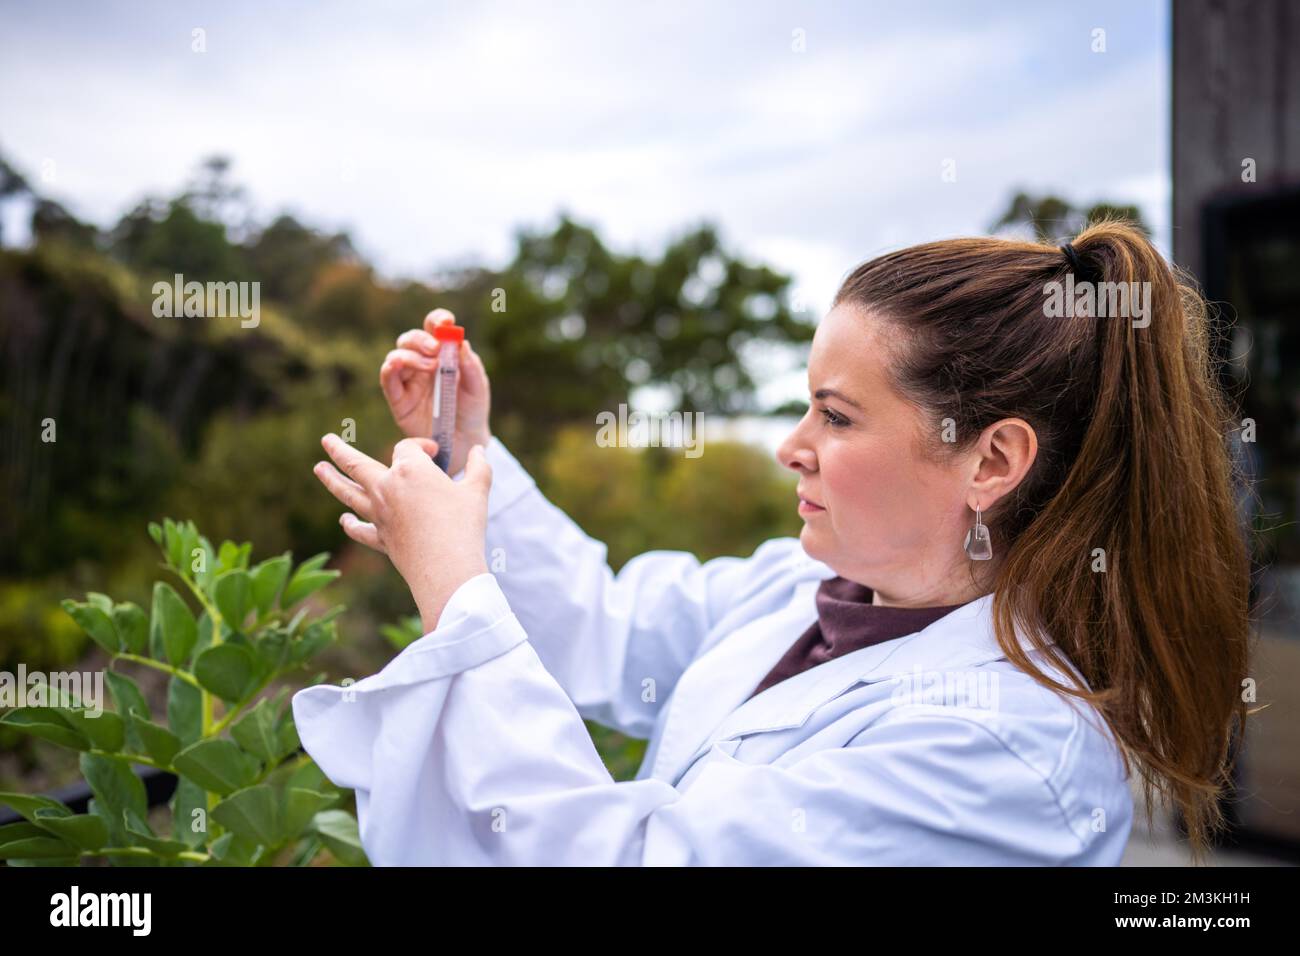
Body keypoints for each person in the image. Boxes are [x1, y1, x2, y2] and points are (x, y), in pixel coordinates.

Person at [293, 219, 1252, 866]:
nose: (793, 448)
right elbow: (612, 626)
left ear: (990, 460)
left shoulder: (1006, 755)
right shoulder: (808, 591)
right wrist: (472, 456)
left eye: (836, 417)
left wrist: (455, 589)